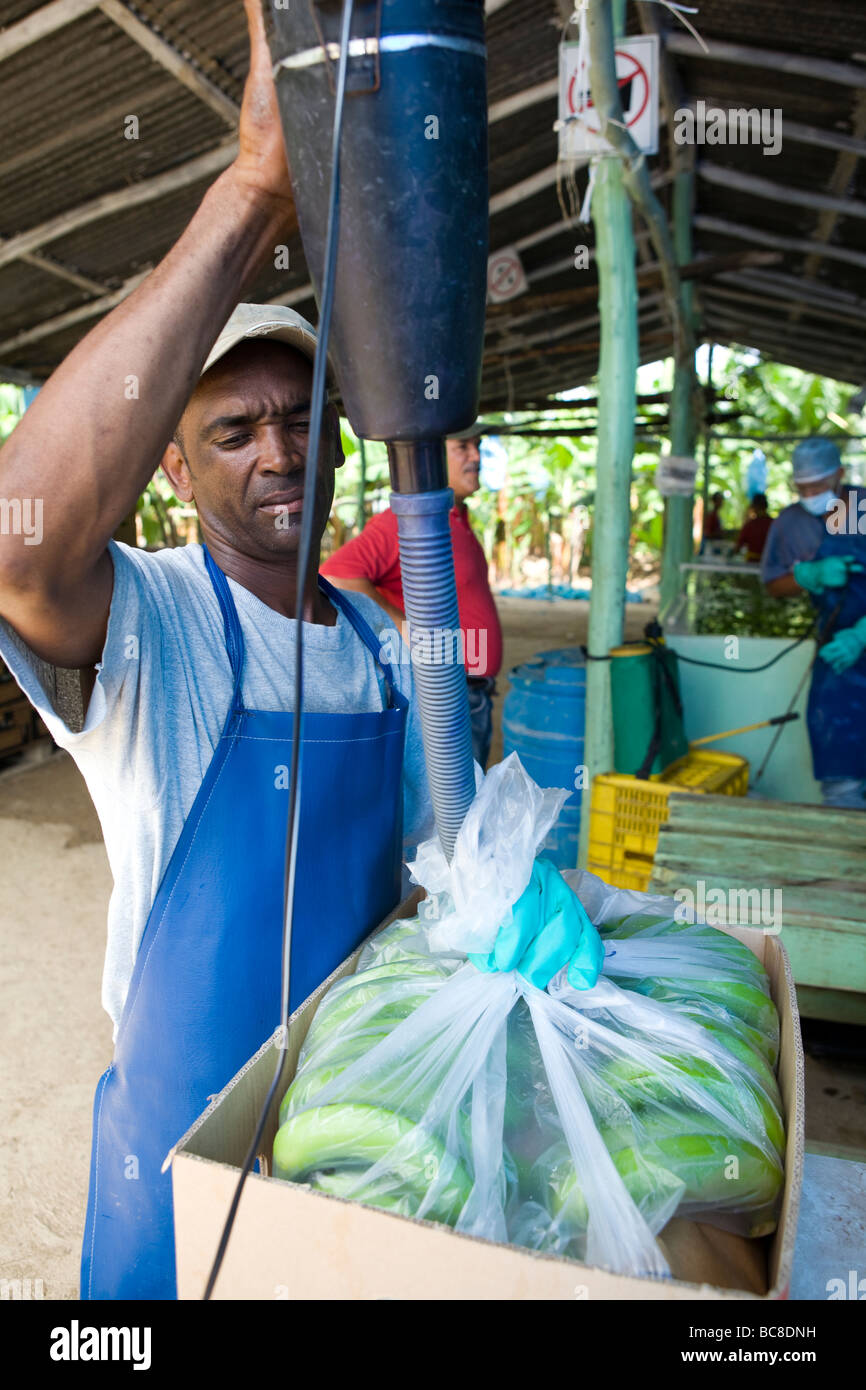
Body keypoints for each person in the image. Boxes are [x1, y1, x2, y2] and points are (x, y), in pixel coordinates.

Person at [0, 1, 600, 1299]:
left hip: (362, 1124)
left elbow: (430, 869)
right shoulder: (157, 630)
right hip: (178, 1149)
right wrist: (253, 191)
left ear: (340, 438)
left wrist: (499, 899)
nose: (278, 451)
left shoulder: (388, 642)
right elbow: (18, 546)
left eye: (298, 416)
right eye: (231, 430)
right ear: (170, 459)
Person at [321, 425, 503, 767]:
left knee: (468, 805)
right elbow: (337, 574)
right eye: (462, 446)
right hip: (443, 693)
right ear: (433, 457)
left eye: (477, 445)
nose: (476, 456)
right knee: (449, 811)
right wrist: (410, 631)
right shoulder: (408, 523)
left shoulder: (454, 519)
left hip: (472, 691)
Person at [762, 437, 866, 810]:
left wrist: (862, 634)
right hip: (836, 653)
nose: (809, 494)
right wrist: (807, 576)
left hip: (857, 637)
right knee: (841, 772)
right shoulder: (791, 524)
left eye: (818, 486)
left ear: (839, 474)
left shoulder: (861, 509)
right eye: (801, 487)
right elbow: (773, 583)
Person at [736, 493, 773, 562]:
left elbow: (738, 546)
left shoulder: (750, 524)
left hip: (752, 562)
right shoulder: (774, 524)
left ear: (754, 507)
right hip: (769, 562)